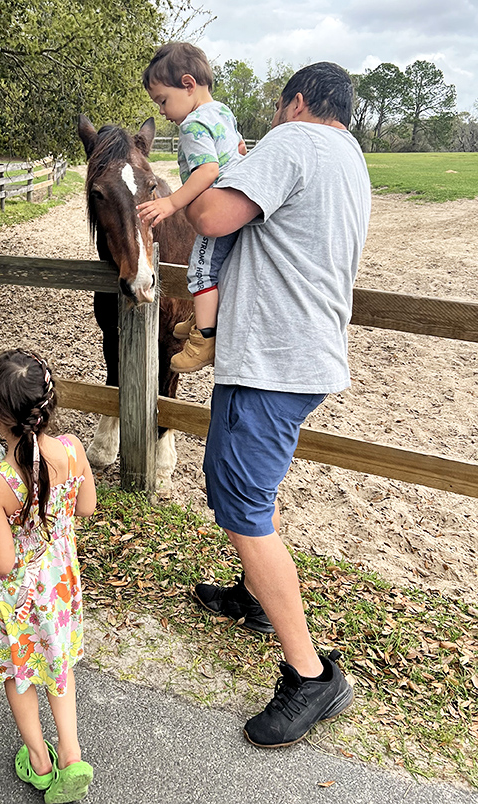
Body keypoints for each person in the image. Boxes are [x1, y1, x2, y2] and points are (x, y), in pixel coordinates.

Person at [184, 62, 372, 747]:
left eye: (276, 104)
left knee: (237, 497)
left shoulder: (293, 141)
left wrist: (218, 167)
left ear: (297, 101)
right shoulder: (350, 156)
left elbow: (209, 215)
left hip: (272, 360)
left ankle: (311, 674)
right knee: (254, 491)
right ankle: (254, 596)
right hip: (305, 354)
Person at [0, 349, 97, 803]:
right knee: (58, 666)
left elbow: (1, 562)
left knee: (20, 672)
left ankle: (39, 763)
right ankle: (71, 757)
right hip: (61, 586)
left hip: (19, 599)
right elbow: (85, 507)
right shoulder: (72, 449)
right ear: (47, 405)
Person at [137, 41, 247, 374]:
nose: (161, 111)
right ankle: (201, 322)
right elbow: (238, 147)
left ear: (188, 84)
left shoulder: (193, 125)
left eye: (162, 100)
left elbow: (208, 170)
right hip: (234, 207)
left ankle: (203, 340)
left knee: (200, 272)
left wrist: (172, 202)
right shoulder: (222, 112)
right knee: (210, 270)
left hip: (216, 208)